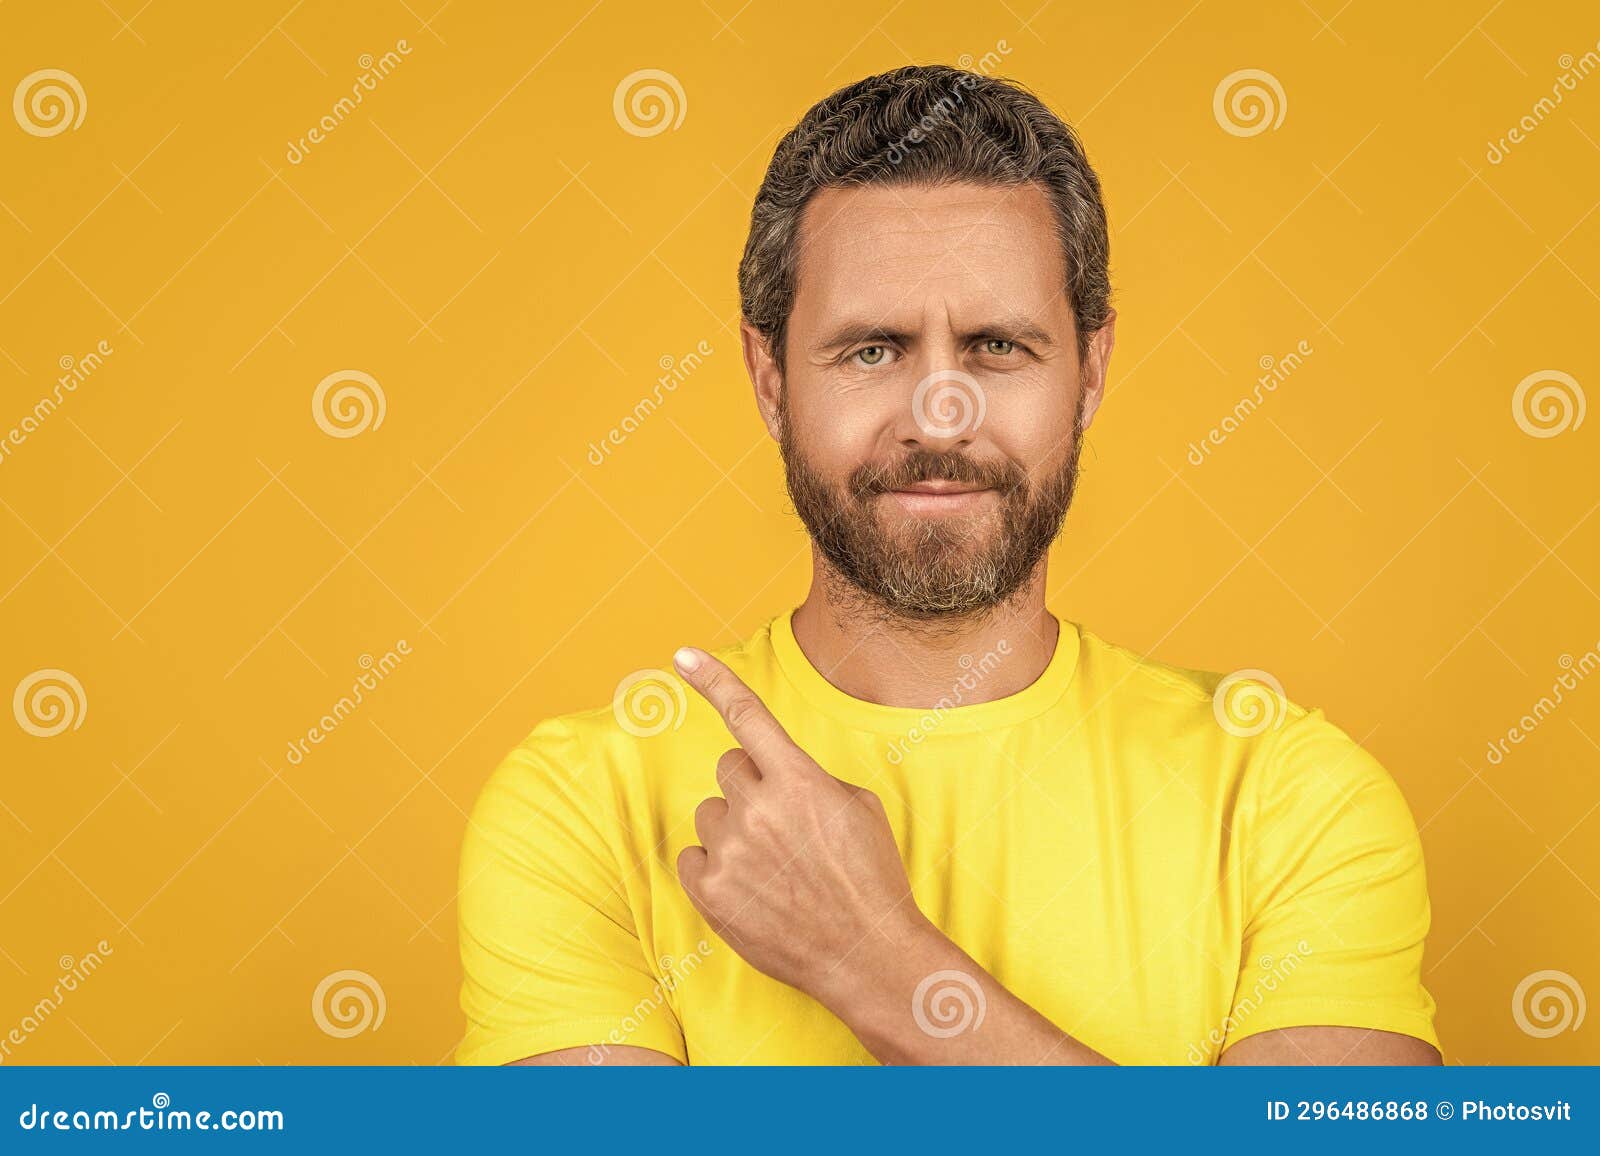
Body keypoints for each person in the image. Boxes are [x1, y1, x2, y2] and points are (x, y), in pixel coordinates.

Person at [455, 64, 1440, 1066]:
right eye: (872, 350)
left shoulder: (1288, 799)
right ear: (768, 378)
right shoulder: (581, 806)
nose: (940, 415)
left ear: (1089, 372)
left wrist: (877, 961)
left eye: (996, 346)